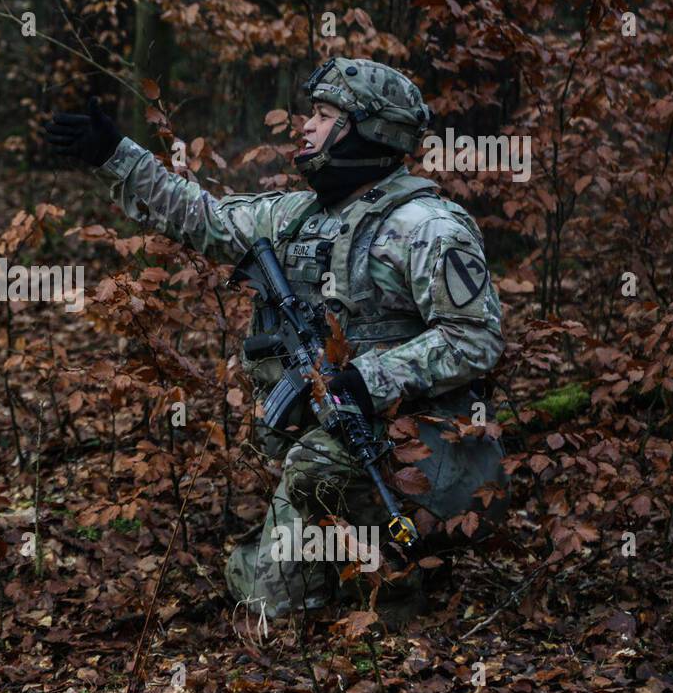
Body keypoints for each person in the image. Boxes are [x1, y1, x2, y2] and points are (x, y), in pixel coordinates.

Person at [44, 58, 507, 627]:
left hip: (427, 448)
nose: (305, 127)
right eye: (309, 114)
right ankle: (337, 580)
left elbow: (476, 339)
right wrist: (114, 154)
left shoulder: (428, 225)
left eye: (324, 115)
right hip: (337, 440)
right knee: (266, 600)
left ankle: (396, 599)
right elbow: (203, 217)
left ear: (370, 129)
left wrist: (369, 379)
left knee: (301, 525)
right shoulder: (297, 216)